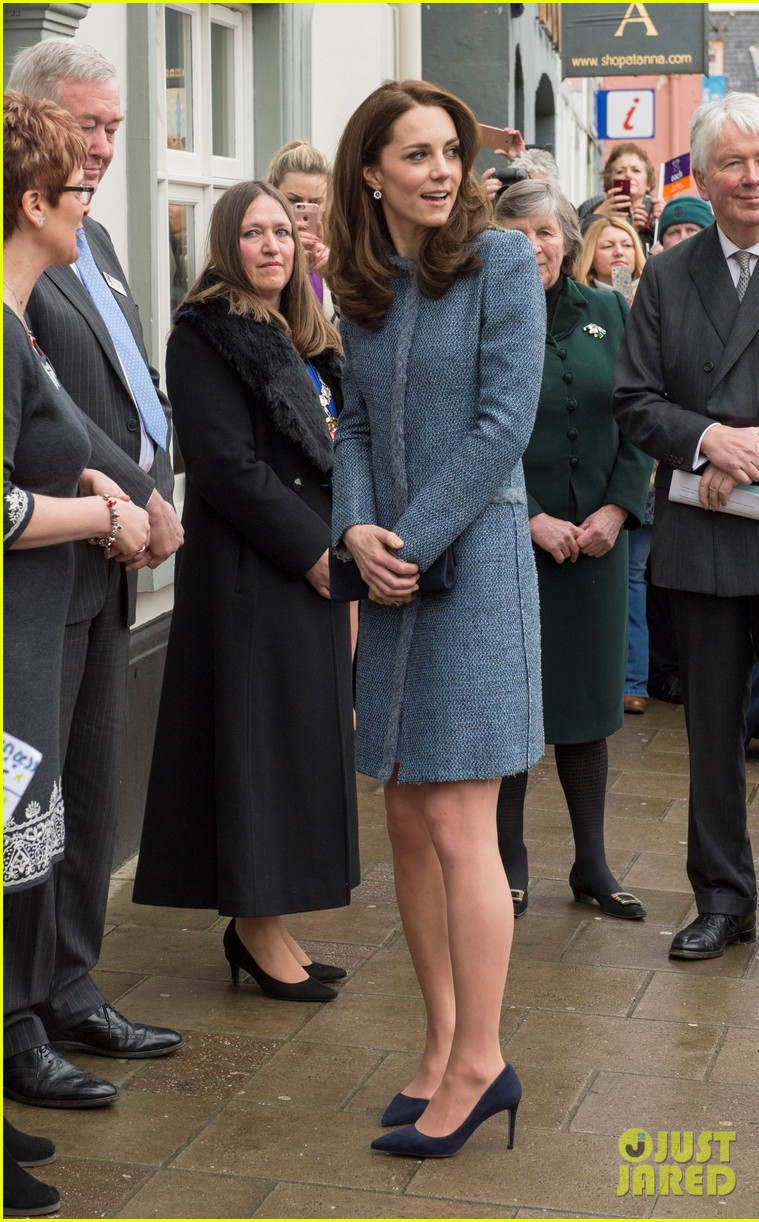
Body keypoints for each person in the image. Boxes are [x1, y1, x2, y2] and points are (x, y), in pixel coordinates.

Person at [327, 79, 545, 1158]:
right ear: (370, 173)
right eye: (414, 154)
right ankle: (440, 1043)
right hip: (395, 578)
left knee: (461, 823)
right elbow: (355, 430)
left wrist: (401, 543)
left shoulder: (500, 262)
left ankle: (481, 1062)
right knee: (407, 816)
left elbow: (504, 426)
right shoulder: (362, 284)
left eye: (450, 151)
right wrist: (354, 529)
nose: (441, 170)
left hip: (477, 573)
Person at [5, 39, 184, 1109]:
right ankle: (19, 1020)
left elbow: (127, 378)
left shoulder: (97, 235)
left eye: (117, 127)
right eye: (90, 128)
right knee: (29, 807)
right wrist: (129, 501)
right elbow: (49, 412)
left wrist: (151, 488)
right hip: (47, 573)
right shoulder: (24, 251)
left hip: (107, 559)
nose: (107, 148)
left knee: (83, 797)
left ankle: (68, 987)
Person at [132, 182, 359, 1001]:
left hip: (314, 564)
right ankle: (255, 928)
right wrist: (312, 552)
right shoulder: (205, 333)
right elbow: (226, 468)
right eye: (254, 233)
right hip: (254, 576)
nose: (272, 246)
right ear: (227, 244)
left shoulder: (306, 333)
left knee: (299, 750)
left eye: (283, 232)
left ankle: (271, 921)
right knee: (261, 753)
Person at [613, 92, 759, 958]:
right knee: (711, 734)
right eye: (732, 164)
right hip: (701, 534)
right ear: (703, 178)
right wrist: (709, 440)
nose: (750, 178)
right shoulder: (667, 275)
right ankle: (722, 899)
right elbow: (633, 400)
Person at [493, 179, 652, 918]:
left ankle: (592, 864)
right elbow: (471, 433)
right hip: (509, 547)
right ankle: (507, 862)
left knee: (587, 706)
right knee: (513, 704)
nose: (533, 247)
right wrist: (529, 518)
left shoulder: (609, 311)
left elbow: (639, 416)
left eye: (545, 232)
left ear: (567, 240)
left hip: (596, 548)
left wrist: (618, 508)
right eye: (516, 234)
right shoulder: (481, 318)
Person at [626, 195, 715, 713]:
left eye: (691, 231)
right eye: (673, 232)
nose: (683, 240)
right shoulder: (656, 288)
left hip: (753, 484)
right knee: (653, 579)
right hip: (665, 470)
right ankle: (654, 673)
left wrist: (750, 448)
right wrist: (705, 442)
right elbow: (635, 395)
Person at [266, 138, 336, 319]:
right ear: (273, 194)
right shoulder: (255, 247)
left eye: (315, 202)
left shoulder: (337, 253)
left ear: (326, 202)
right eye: (294, 200)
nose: (305, 211)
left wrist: (336, 281)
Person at [577, 141, 664, 246]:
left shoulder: (658, 210)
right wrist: (598, 215)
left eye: (636, 170)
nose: (628, 175)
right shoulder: (591, 207)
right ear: (610, 181)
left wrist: (664, 222)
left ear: (648, 183)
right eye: (620, 171)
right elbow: (575, 244)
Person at [576, 215, 646, 298]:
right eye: (608, 246)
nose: (619, 252)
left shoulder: (652, 294)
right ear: (590, 256)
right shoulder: (578, 298)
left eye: (627, 245)